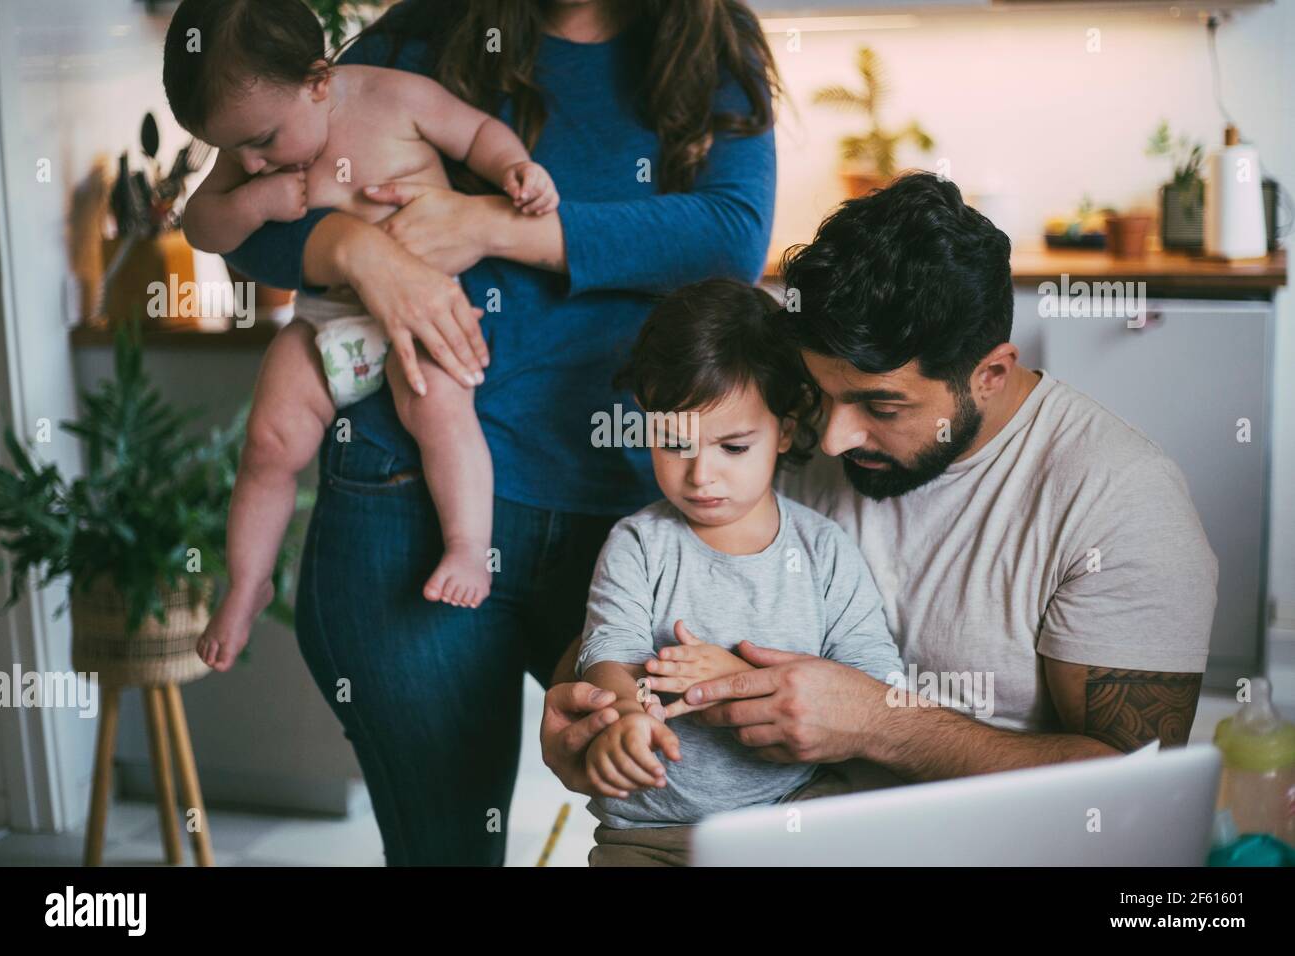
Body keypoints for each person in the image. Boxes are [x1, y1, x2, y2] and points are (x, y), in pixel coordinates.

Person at [222, 0, 781, 865]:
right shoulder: (424, 34)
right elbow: (243, 214)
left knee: (669, 835)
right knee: (445, 850)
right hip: (401, 503)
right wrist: (352, 248)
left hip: (629, 512)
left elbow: (732, 238)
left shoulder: (709, 41)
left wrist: (491, 225)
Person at [542, 172, 1217, 803]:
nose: (829, 441)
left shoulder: (1120, 500)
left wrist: (879, 723)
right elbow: (643, 594)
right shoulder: (770, 429)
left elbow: (1134, 786)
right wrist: (584, 715)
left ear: (990, 373)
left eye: (882, 409)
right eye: (819, 394)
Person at [165, 0, 562, 673]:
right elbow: (201, 225)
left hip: (429, 313)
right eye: (235, 149)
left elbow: (477, 134)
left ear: (319, 80)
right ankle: (247, 582)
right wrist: (251, 204)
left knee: (440, 409)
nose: (253, 162)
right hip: (328, 319)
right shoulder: (251, 153)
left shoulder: (394, 96)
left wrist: (515, 170)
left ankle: (468, 546)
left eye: (262, 140)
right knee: (268, 441)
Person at [576, 279, 904, 866]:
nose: (701, 476)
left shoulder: (824, 551)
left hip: (792, 822)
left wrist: (740, 677)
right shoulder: (638, 545)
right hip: (649, 837)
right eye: (674, 444)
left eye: (733, 447)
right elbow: (609, 650)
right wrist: (623, 716)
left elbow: (872, 684)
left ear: (786, 427)